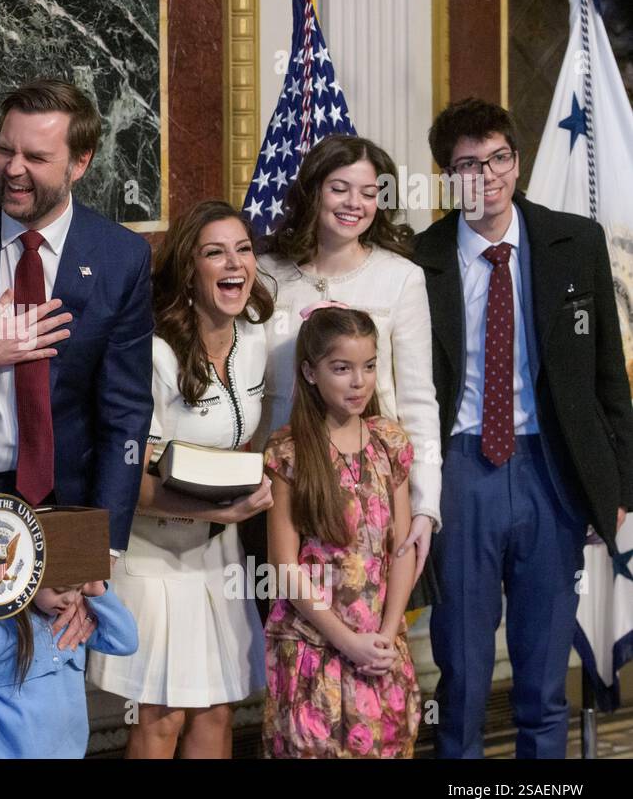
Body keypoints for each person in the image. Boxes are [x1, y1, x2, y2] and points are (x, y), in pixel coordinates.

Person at [0, 78, 155, 757]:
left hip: (55, 510)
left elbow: (125, 416)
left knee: (34, 706)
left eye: (35, 158)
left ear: (79, 163)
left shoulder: (122, 258)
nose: (14, 168)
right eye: (5, 150)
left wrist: (98, 551)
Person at [413, 98, 633, 759]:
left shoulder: (575, 241)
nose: (490, 175)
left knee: (542, 682)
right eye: (469, 164)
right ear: (447, 176)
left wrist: (618, 484)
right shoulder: (417, 260)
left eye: (500, 157)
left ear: (517, 158)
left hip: (553, 473)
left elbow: (608, 380)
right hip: (462, 473)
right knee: (465, 676)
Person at [87, 201, 272, 758]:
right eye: (215, 252)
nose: (233, 263)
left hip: (219, 556)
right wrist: (216, 511)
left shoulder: (256, 343)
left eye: (243, 249)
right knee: (161, 717)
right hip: (153, 558)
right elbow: (126, 480)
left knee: (217, 712)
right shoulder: (156, 353)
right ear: (189, 269)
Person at [254, 135, 439, 600]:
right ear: (313, 190)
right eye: (340, 188)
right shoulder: (264, 272)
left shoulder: (401, 278)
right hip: (279, 492)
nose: (354, 203)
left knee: (366, 642)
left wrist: (424, 505)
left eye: (369, 192)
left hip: (370, 500)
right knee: (287, 641)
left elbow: (417, 399)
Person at [262, 304, 421, 758]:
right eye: (342, 368)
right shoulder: (288, 452)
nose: (359, 382)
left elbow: (403, 548)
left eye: (369, 367)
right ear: (311, 373)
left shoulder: (390, 444)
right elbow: (284, 567)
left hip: (379, 644)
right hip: (314, 646)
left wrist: (387, 634)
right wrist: (346, 640)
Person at [0, 581, 137, 759]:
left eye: (78, 589)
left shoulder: (73, 620)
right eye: (59, 590)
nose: (70, 599)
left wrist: (98, 590)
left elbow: (126, 642)